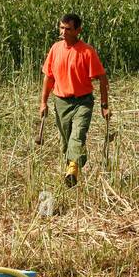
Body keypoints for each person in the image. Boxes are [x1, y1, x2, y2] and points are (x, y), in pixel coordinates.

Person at [39, 13, 109, 186]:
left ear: (78, 30)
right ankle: (73, 163)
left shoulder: (87, 51)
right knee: (66, 141)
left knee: (77, 135)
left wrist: (104, 105)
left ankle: (72, 171)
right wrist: (43, 102)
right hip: (61, 102)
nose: (63, 32)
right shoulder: (55, 49)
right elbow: (48, 77)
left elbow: (102, 78)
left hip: (82, 102)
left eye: (68, 29)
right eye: (61, 28)